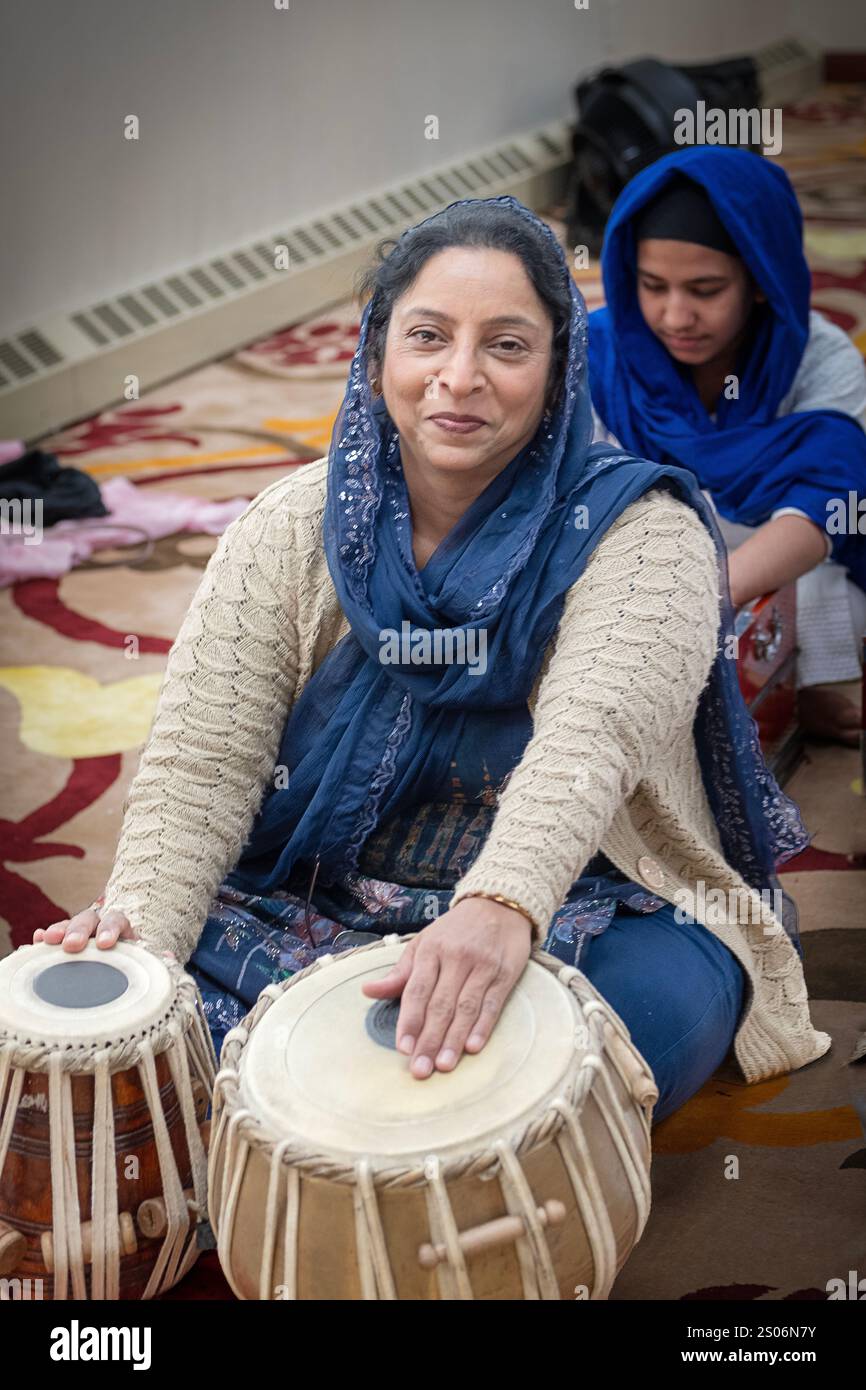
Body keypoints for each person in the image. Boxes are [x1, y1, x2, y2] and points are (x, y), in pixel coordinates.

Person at [33, 195, 830, 1126]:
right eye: (427, 337)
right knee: (110, 1018)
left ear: (560, 372)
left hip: (588, 897)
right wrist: (147, 951)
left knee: (596, 1048)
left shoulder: (643, 535)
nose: (461, 377)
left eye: (506, 345)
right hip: (316, 885)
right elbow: (204, 762)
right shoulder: (293, 524)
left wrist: (499, 909)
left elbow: (590, 746)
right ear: (376, 360)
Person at [587, 147, 866, 747]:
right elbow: (574, 497)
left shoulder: (819, 359)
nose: (675, 315)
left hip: (777, 565)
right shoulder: (598, 355)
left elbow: (828, 503)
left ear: (763, 282)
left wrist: (705, 597)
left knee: (815, 599)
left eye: (706, 289)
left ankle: (792, 688)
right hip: (640, 555)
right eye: (652, 286)